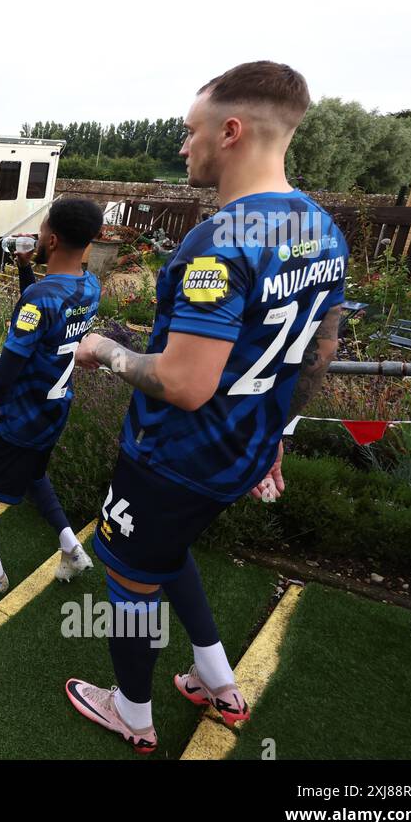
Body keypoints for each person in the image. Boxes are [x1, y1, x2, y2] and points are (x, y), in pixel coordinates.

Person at [63, 62, 348, 754]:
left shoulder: (222, 239)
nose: (182, 146)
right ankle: (217, 678)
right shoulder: (322, 229)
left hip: (174, 456)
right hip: (244, 449)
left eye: (191, 131)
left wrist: (104, 350)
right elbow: (320, 352)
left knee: (129, 579)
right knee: (170, 548)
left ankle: (132, 713)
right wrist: (275, 431)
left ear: (231, 131)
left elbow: (186, 385)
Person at [0, 197, 105, 594]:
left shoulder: (41, 297)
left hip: (16, 417)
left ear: (52, 239)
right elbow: (46, 314)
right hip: (53, 412)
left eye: (44, 228)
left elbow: (6, 373)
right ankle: (71, 547)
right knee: (34, 474)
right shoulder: (90, 286)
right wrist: (25, 269)